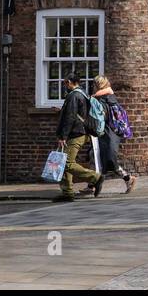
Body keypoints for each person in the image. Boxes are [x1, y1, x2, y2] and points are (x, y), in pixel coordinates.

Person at [53, 74, 104, 202]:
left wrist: (63, 136)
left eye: (65, 83)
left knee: (66, 163)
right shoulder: (82, 94)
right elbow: (77, 114)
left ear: (70, 82)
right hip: (79, 132)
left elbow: (70, 117)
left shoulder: (74, 96)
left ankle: (95, 178)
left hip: (75, 134)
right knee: (65, 161)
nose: (64, 85)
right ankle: (67, 193)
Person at [90, 75, 136, 193]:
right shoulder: (110, 97)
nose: (93, 87)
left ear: (97, 85)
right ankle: (93, 185)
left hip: (106, 133)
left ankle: (127, 178)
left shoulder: (100, 99)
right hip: (111, 133)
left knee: (104, 159)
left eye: (94, 84)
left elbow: (100, 118)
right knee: (98, 158)